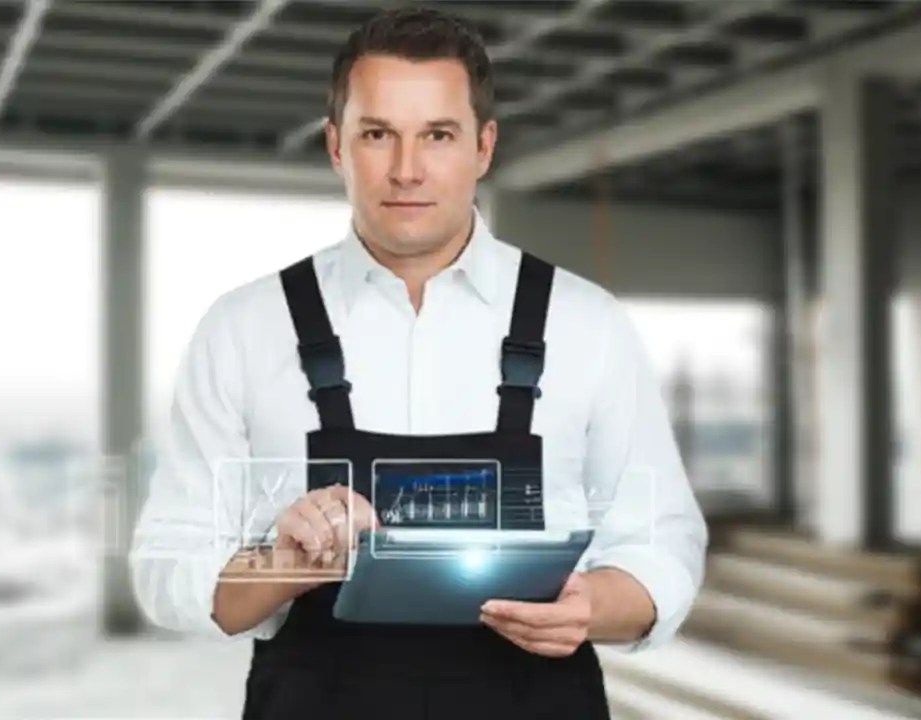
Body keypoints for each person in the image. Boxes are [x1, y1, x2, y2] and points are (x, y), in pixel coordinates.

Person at [130, 7, 707, 719]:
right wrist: (283, 558)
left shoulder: (586, 325)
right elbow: (165, 567)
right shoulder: (245, 329)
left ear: (484, 146)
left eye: (438, 135)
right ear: (336, 146)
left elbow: (664, 543)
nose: (407, 170)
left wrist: (591, 607)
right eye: (378, 135)